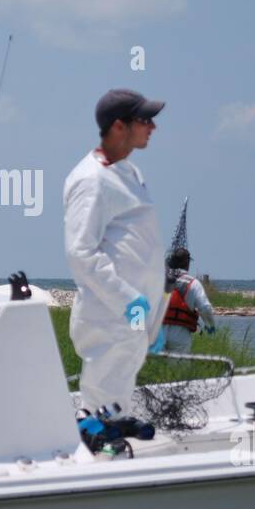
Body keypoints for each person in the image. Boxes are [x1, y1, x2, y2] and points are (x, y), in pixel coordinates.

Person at [63, 89, 167, 413]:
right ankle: (99, 446)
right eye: (145, 120)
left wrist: (149, 312)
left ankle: (115, 435)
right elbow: (80, 253)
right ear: (119, 126)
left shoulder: (131, 173)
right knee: (102, 401)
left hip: (133, 315)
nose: (153, 127)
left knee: (119, 395)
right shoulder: (91, 179)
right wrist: (130, 300)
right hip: (110, 314)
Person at [162, 248, 216, 354]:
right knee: (179, 369)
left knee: (157, 368)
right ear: (187, 263)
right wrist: (210, 325)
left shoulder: (159, 279)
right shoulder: (193, 283)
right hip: (180, 335)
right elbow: (205, 308)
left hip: (158, 332)